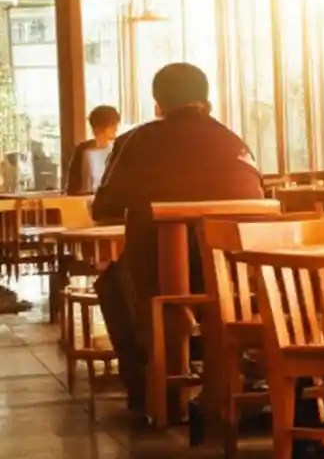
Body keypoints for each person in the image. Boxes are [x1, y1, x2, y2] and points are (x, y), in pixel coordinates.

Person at [92, 63, 264, 408]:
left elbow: (104, 208)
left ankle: (151, 389)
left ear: (158, 104)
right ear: (207, 99)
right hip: (239, 278)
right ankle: (239, 369)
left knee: (114, 282)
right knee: (200, 288)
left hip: (160, 277)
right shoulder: (233, 141)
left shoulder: (138, 141)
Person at [64, 105, 119, 195]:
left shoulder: (116, 149)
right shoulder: (83, 151)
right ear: (101, 127)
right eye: (113, 125)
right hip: (83, 201)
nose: (116, 129)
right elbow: (73, 184)